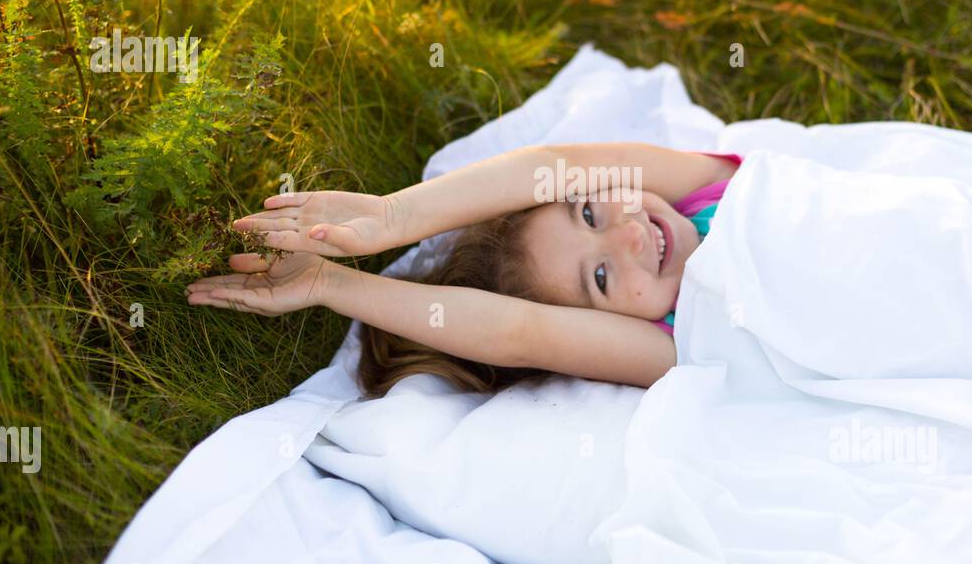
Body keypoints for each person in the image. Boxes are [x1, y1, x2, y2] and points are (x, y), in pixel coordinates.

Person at [186, 144, 743, 396]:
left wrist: (396, 214)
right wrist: (333, 283)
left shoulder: (710, 186)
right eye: (600, 278)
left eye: (590, 211)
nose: (630, 235)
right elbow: (521, 332)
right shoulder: (673, 341)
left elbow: (558, 166)